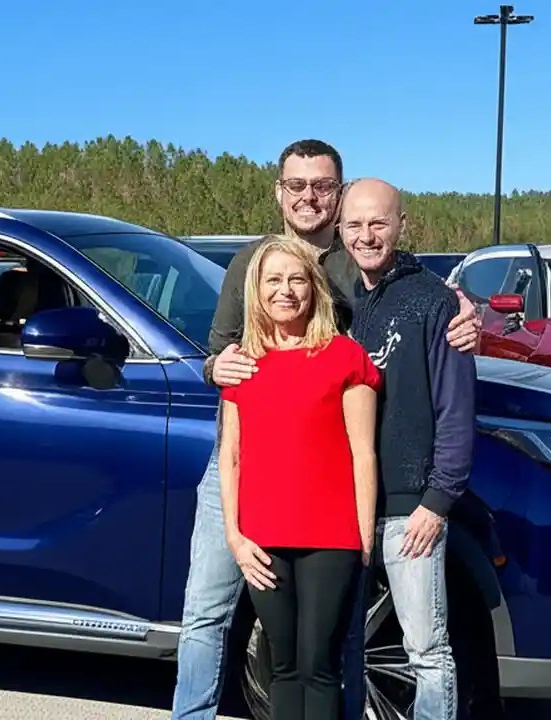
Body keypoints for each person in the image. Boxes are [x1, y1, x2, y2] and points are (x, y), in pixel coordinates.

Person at [170, 139, 480, 720]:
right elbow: (220, 354)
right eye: (297, 185)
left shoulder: (352, 259)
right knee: (206, 612)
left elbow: (413, 292)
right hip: (241, 464)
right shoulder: (250, 262)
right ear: (279, 192)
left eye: (322, 186)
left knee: (341, 639)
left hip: (324, 478)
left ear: (337, 195)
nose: (308, 197)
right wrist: (215, 369)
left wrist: (465, 310)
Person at [218, 234, 380, 720]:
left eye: (296, 280)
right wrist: (235, 539)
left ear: (314, 288)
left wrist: (364, 539)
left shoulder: (345, 357)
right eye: (273, 280)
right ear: (256, 289)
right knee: (283, 667)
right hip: (262, 539)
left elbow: (363, 452)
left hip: (331, 539)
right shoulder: (242, 363)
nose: (285, 291)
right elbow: (231, 456)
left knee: (319, 665)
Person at [341, 178, 476, 720]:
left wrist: (436, 502)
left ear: (402, 224)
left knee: (427, 650)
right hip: (345, 506)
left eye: (378, 222)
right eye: (355, 224)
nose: (366, 235)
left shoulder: (435, 302)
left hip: (409, 512)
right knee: (345, 644)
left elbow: (456, 410)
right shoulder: (341, 302)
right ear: (340, 229)